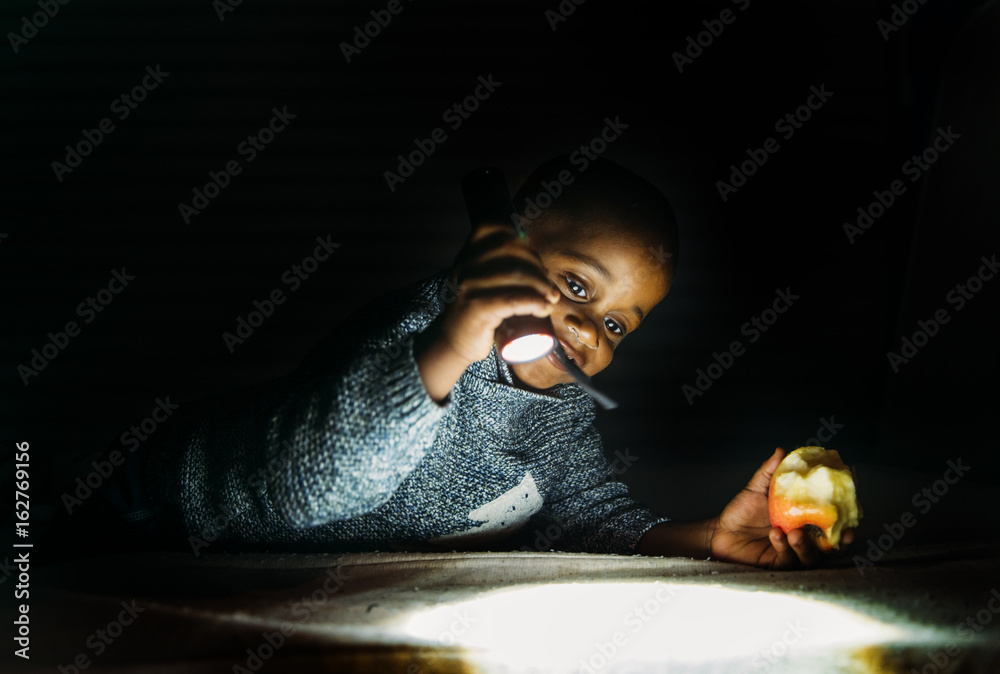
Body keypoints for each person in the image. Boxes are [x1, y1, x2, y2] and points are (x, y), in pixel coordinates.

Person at [68, 156, 850, 568]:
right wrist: (455, 337)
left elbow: (582, 514)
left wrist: (707, 536)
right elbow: (306, 486)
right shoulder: (419, 333)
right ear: (504, 246)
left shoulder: (562, 408)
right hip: (158, 487)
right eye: (574, 284)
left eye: (617, 323)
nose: (586, 328)